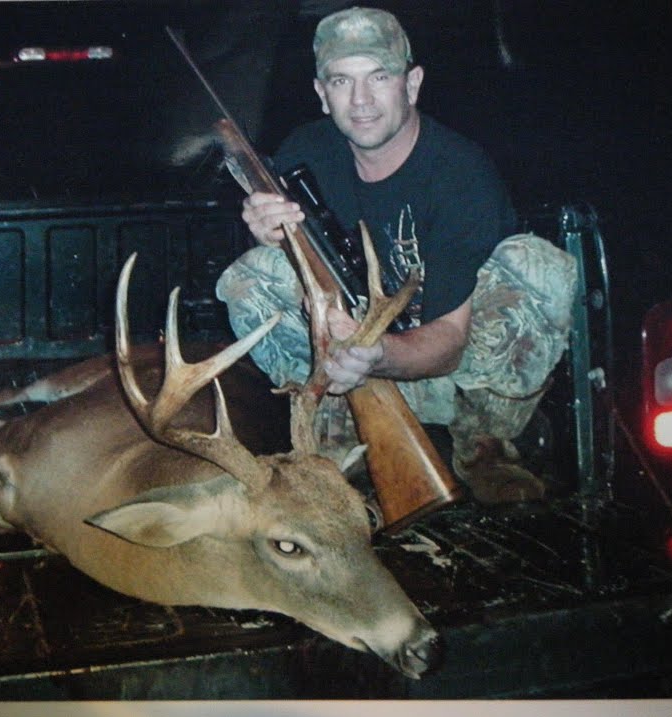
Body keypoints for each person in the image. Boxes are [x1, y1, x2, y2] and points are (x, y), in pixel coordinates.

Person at [215, 6, 579, 505]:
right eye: (341, 81)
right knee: (252, 275)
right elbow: (291, 272)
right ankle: (340, 438)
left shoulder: (460, 173)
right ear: (322, 94)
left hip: (450, 369)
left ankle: (485, 448)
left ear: (412, 84)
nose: (361, 100)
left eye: (379, 76)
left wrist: (379, 355)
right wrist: (271, 238)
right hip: (350, 365)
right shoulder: (305, 152)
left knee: (538, 265)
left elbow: (451, 341)